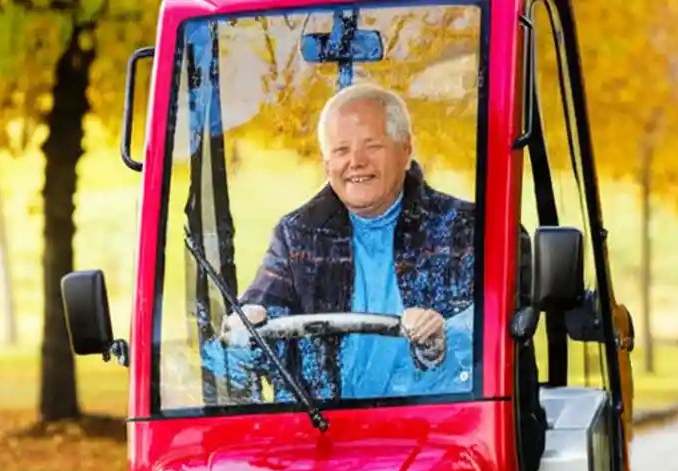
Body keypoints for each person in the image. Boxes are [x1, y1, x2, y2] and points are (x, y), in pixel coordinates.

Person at [201, 82, 476, 403]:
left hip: (435, 430)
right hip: (317, 435)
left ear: (406, 149)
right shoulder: (296, 235)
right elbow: (260, 321)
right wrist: (244, 330)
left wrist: (440, 341)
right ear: (326, 163)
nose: (356, 161)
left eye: (372, 146)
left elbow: (487, 346)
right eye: (341, 150)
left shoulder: (465, 229)